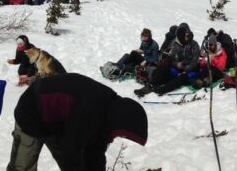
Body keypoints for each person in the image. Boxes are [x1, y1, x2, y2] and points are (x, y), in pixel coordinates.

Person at [9, 73, 148, 171]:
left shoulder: (107, 111)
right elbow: (71, 151)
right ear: (120, 122)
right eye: (123, 135)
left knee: (74, 159)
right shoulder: (89, 111)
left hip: (60, 121)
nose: (119, 137)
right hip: (32, 112)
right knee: (23, 166)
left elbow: (95, 151)